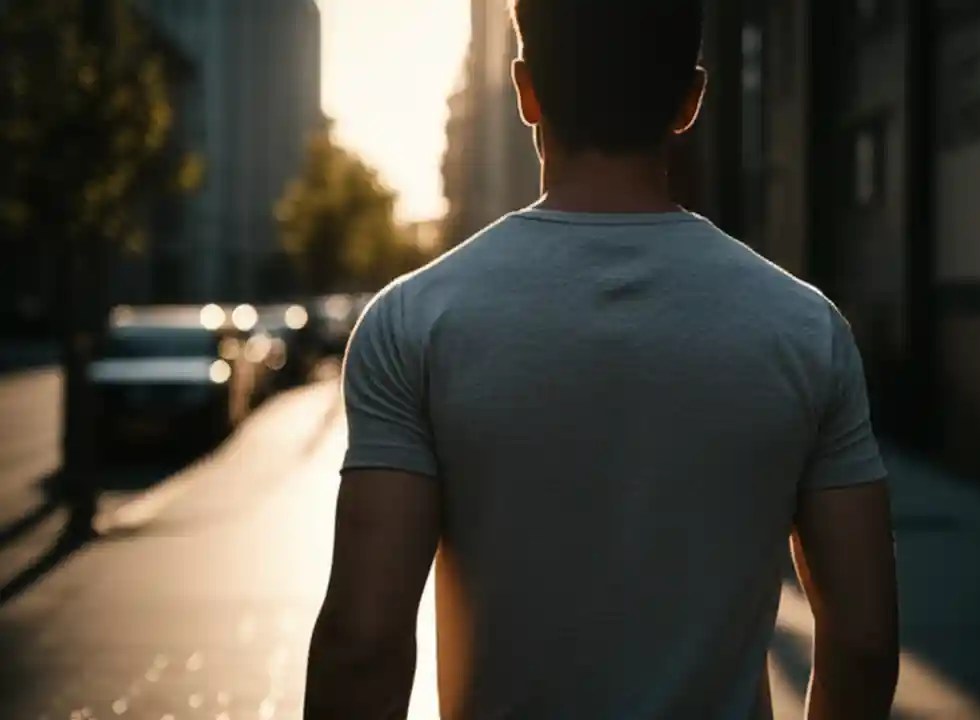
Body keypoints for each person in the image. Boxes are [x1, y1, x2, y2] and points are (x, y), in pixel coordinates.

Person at [304, 1, 899, 718]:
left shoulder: (415, 322)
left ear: (526, 91)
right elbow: (863, 641)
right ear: (690, 101)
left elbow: (364, 642)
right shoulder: (807, 330)